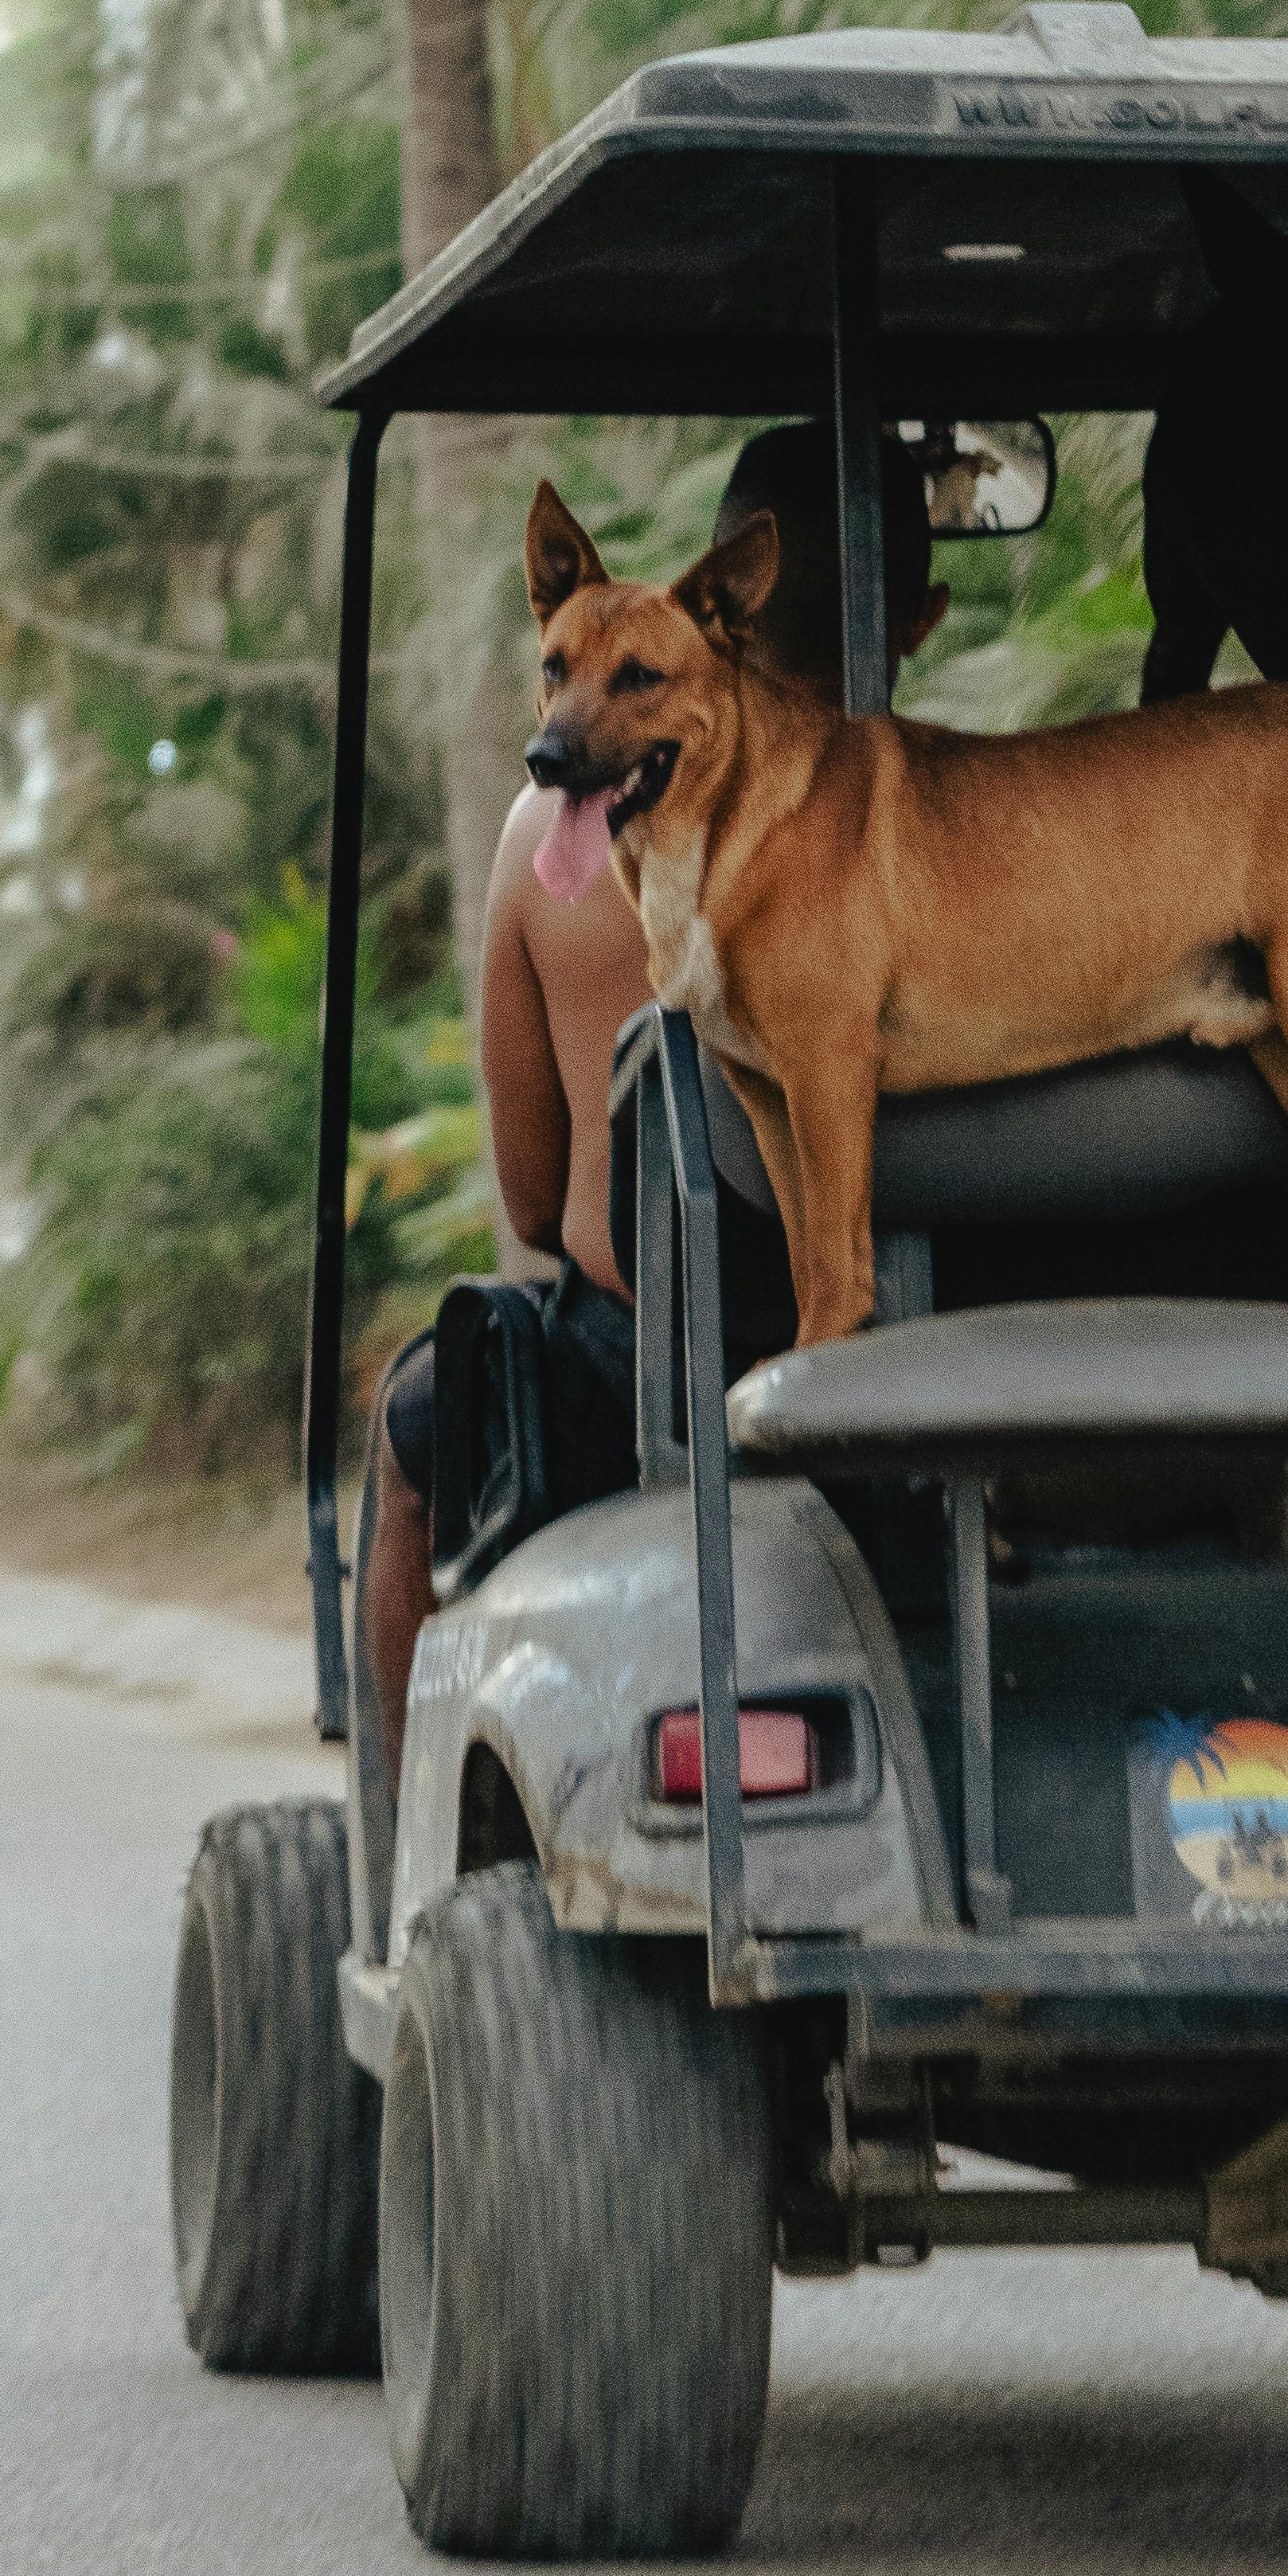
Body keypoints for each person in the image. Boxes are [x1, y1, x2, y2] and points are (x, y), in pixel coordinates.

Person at [353, 427, 946, 1776]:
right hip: (954, 1340)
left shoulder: (542, 833)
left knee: (415, 1425)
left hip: (653, 1379)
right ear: (921, 616)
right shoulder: (995, 820)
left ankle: (397, 1864)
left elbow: (531, 1198)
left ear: (720, 597)